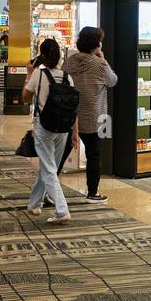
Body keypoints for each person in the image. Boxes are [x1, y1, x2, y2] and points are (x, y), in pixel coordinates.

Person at [59, 27, 117, 203]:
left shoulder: (69, 61)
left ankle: (48, 189)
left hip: (70, 115)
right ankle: (92, 193)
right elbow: (113, 81)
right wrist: (103, 59)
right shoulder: (100, 64)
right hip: (96, 116)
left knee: (61, 154)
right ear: (97, 45)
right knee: (94, 155)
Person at [22, 38, 72, 223]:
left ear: (41, 55)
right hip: (64, 128)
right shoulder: (67, 76)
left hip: (44, 127)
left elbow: (25, 98)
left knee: (49, 168)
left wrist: (29, 73)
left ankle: (61, 210)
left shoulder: (38, 74)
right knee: (49, 165)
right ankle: (34, 204)